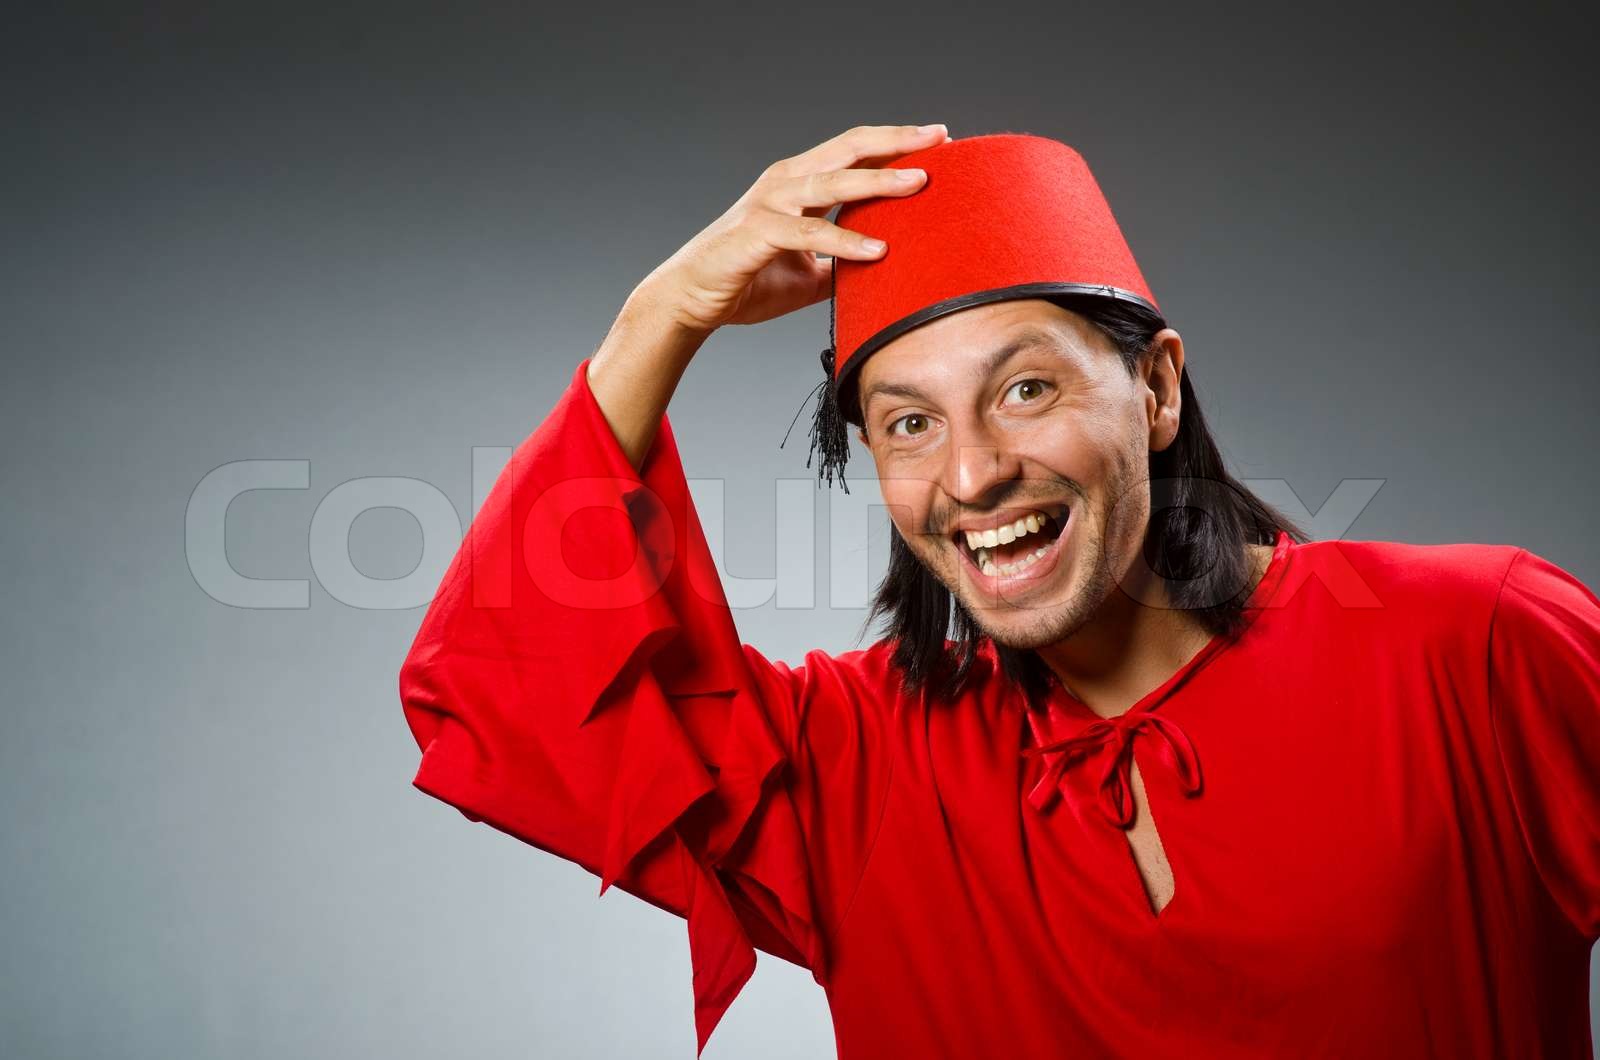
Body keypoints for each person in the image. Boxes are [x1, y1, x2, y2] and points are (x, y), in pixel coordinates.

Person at [397, 124, 1600, 1058]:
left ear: (1158, 390)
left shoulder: (1472, 643)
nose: (971, 474)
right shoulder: (854, 767)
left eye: (1026, 390)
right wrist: (660, 313)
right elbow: (505, 697)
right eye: (908, 423)